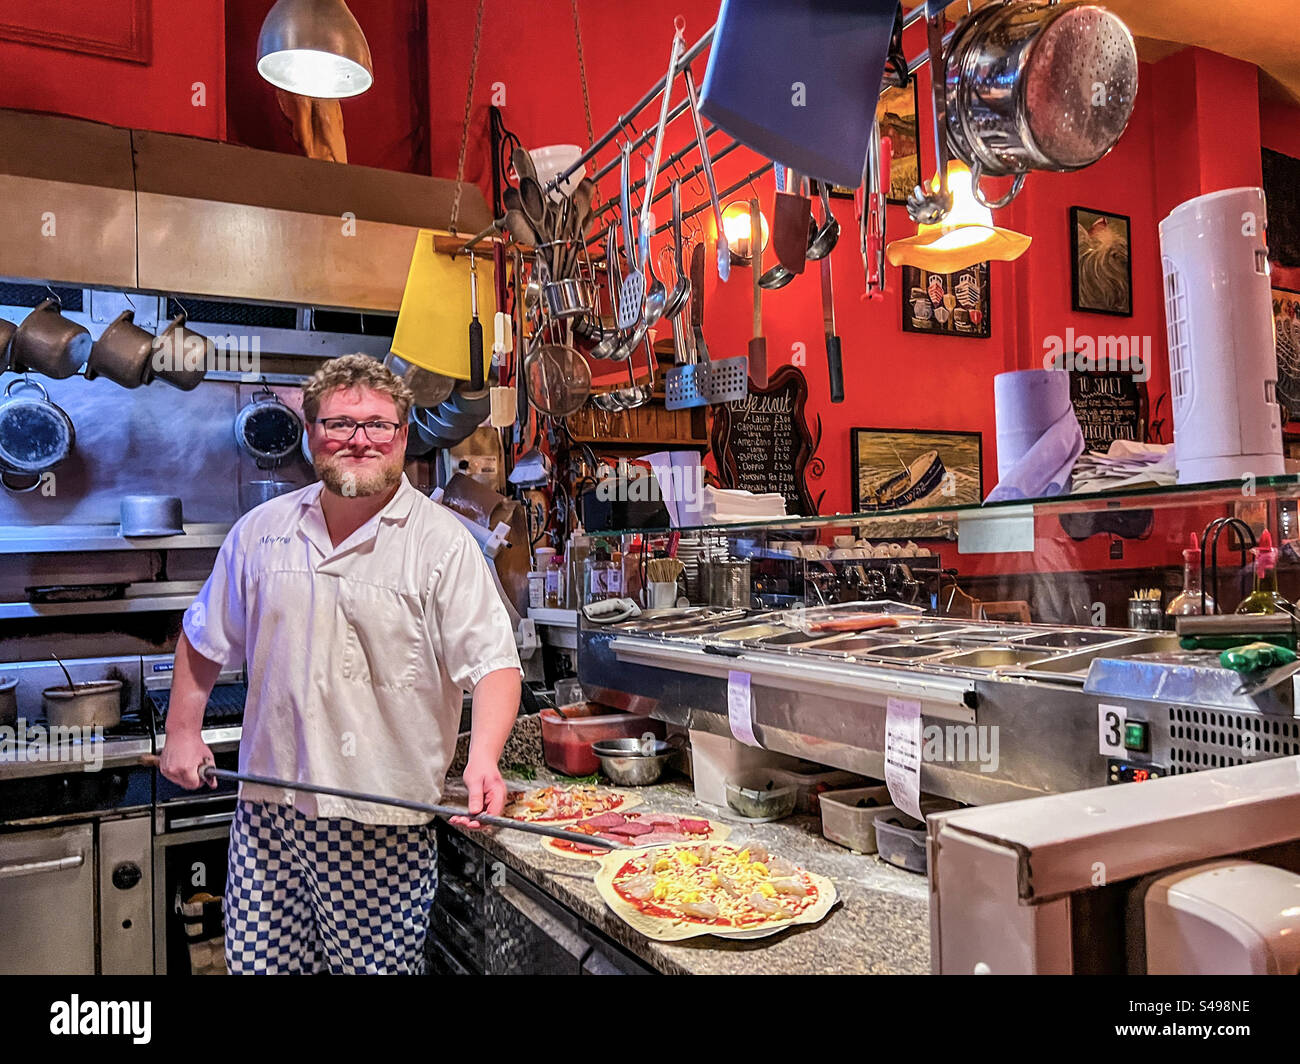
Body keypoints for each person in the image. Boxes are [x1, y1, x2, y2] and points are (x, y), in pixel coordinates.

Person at [159, 354, 521, 974]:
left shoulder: (442, 542)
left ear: (403, 437)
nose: (359, 440)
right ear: (310, 433)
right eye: (340, 424)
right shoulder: (260, 531)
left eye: (378, 425)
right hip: (268, 815)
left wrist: (484, 756)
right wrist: (182, 730)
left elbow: (493, 664)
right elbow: (204, 637)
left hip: (384, 822)